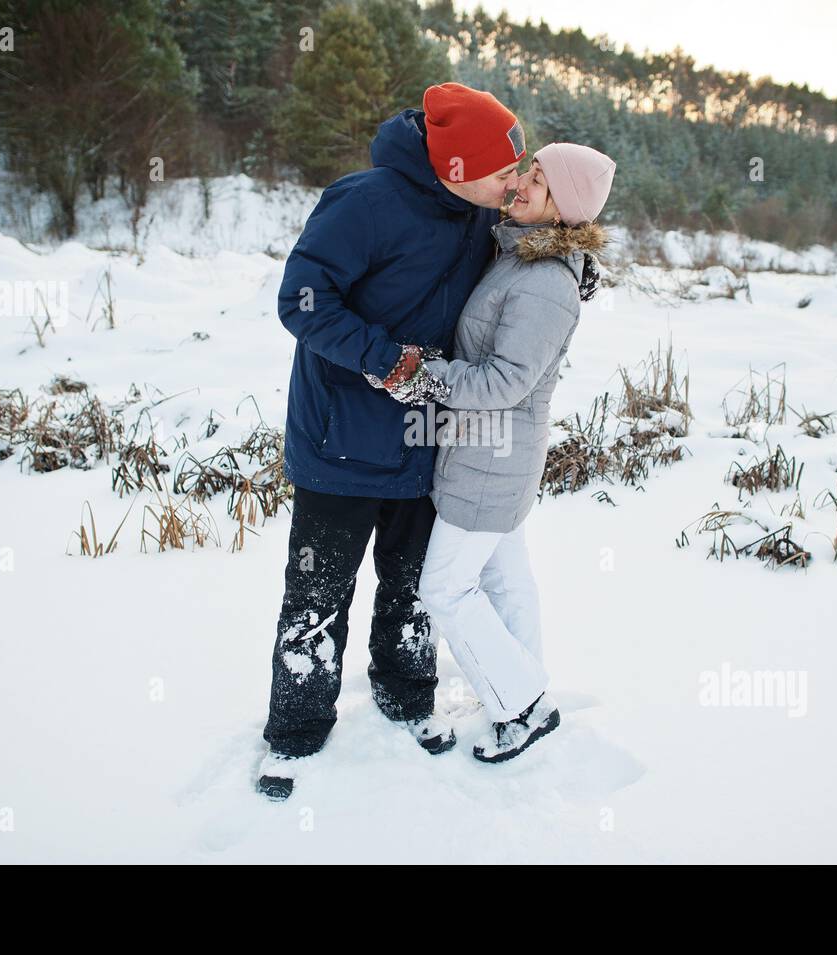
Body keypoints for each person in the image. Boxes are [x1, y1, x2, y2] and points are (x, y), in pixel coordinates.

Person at [257, 83, 527, 801]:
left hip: (422, 441)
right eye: (505, 171)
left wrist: (570, 265)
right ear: (461, 169)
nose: (516, 182)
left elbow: (531, 255)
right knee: (318, 595)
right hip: (339, 443)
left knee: (409, 588)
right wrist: (382, 358)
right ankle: (296, 731)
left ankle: (407, 698)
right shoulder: (364, 202)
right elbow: (302, 300)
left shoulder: (476, 214)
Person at [374, 143, 616, 763]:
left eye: (540, 180)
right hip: (492, 453)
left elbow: (505, 382)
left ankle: (524, 704)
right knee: (506, 579)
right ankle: (520, 682)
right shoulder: (518, 254)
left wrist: (424, 376)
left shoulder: (544, 283)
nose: (523, 183)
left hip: (492, 457)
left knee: (446, 590)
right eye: (528, 170)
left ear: (566, 209)